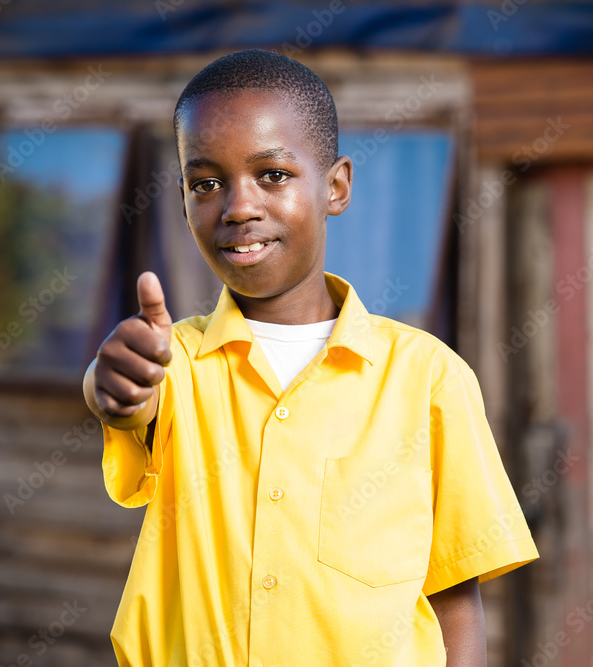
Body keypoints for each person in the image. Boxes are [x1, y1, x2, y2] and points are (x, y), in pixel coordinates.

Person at [83, 48, 538, 666]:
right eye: (206, 183)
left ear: (336, 186)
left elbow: (454, 600)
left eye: (271, 174)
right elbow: (129, 403)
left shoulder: (427, 377)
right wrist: (111, 387)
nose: (238, 206)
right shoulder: (177, 364)